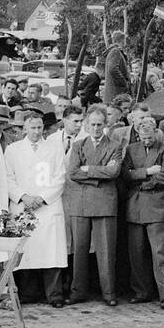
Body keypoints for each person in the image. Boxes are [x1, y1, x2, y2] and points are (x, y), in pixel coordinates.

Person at [4, 108, 67, 307]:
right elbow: (8, 177)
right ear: (24, 128)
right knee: (26, 250)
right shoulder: (13, 150)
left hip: (47, 206)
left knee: (51, 250)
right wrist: (24, 197)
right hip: (23, 206)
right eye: (33, 128)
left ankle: (54, 294)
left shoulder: (54, 148)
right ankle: (28, 293)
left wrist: (42, 198)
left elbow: (60, 177)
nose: (37, 132)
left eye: (40, 127)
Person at [65, 105, 124, 306]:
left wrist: (88, 169)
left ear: (105, 125)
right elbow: (72, 172)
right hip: (80, 204)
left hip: (105, 204)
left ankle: (109, 293)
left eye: (100, 124)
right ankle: (78, 292)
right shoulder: (78, 146)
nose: (96, 128)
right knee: (79, 250)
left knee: (106, 251)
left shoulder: (115, 146)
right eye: (93, 124)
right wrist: (100, 174)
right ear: (86, 125)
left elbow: (114, 173)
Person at [123, 116, 164, 308]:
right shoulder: (131, 149)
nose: (146, 141)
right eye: (142, 137)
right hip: (135, 208)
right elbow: (125, 174)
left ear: (156, 132)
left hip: (157, 207)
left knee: (160, 252)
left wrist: (146, 183)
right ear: (137, 134)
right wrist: (147, 172)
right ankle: (141, 291)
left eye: (149, 137)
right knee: (136, 253)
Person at [102, 31, 133, 106]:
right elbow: (113, 69)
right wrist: (124, 83)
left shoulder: (116, 51)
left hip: (115, 94)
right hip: (116, 94)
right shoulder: (115, 51)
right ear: (122, 40)